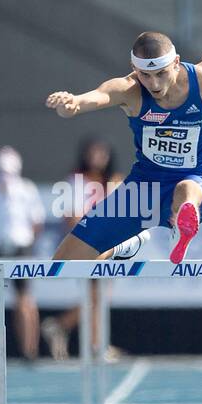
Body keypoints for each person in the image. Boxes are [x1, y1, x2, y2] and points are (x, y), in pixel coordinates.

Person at [44, 32, 202, 265]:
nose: (155, 84)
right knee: (61, 265)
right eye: (146, 76)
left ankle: (181, 223)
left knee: (187, 188)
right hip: (142, 189)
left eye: (161, 73)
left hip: (191, 180)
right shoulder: (129, 89)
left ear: (177, 63)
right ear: (134, 68)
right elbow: (93, 98)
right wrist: (70, 104)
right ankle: (124, 246)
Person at [41, 137, 125, 361]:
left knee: (100, 296)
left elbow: (124, 212)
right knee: (96, 295)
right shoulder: (76, 180)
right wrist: (90, 239)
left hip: (109, 246)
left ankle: (91, 341)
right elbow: (72, 217)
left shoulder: (113, 180)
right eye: (94, 153)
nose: (99, 158)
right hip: (87, 244)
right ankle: (89, 341)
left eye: (103, 153)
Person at [0, 146, 44, 360]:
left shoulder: (27, 190)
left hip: (20, 246)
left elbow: (37, 222)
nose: (5, 178)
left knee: (24, 299)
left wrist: (26, 242)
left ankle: (30, 349)